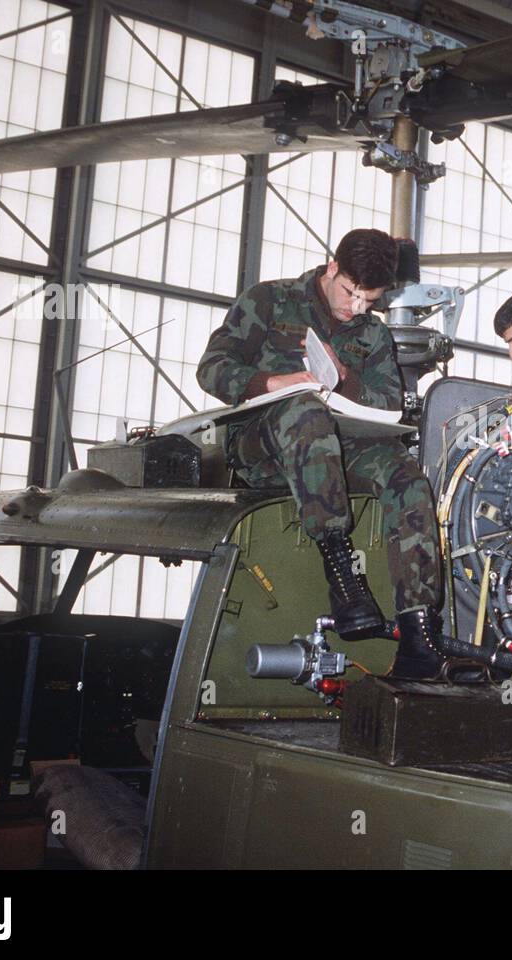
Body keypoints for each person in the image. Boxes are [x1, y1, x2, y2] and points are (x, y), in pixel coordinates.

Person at [196, 228, 443, 679]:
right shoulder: (269, 301)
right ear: (333, 269)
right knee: (306, 409)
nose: (357, 308)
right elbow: (212, 367)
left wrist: (345, 379)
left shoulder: (372, 331)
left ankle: (419, 632)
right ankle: (344, 579)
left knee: (406, 475)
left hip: (338, 445)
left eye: (370, 300)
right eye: (351, 293)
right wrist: (273, 383)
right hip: (263, 446)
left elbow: (388, 402)